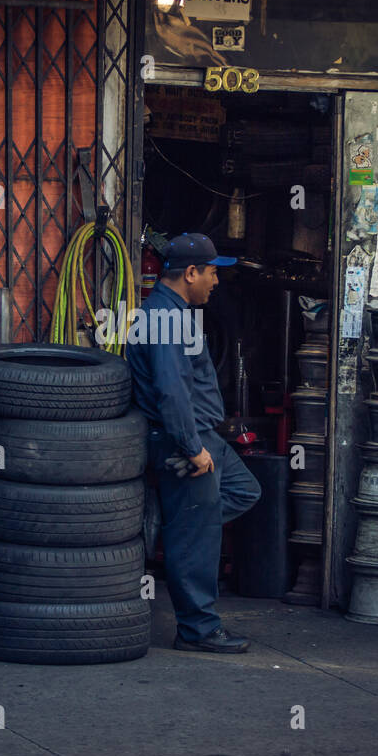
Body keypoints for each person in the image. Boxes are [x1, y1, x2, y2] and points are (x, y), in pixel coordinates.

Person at [127, 232, 261, 653]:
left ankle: (181, 530)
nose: (216, 282)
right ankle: (198, 630)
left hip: (205, 437)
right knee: (194, 533)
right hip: (185, 444)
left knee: (244, 490)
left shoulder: (172, 315)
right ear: (190, 273)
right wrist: (191, 448)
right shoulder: (166, 320)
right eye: (211, 273)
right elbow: (171, 391)